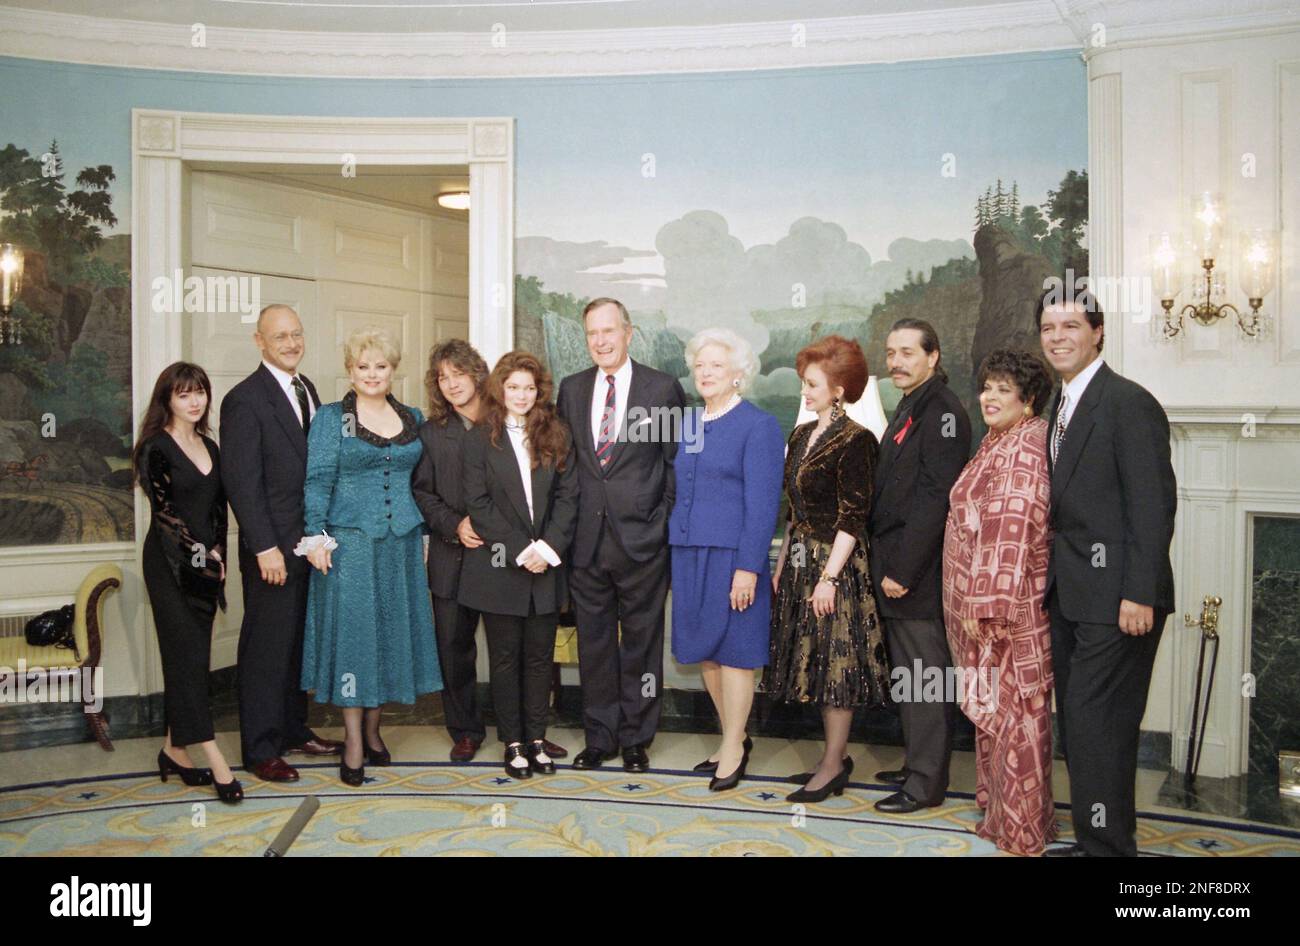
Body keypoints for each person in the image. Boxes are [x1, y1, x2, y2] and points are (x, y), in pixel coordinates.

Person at [1037, 290, 1176, 858]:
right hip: (1074, 596)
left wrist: (1139, 593)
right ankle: (1102, 841)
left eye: (1071, 325)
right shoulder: (1061, 403)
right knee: (1082, 728)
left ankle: (1108, 852)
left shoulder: (1127, 402)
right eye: (1048, 327)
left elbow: (1153, 506)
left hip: (1120, 599)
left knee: (1100, 728)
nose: (1058, 336)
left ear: (1099, 332)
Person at [411, 340, 568, 764]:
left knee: (528, 653)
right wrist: (453, 523)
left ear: (480, 377)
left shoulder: (516, 422)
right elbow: (422, 493)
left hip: (507, 559)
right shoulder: (431, 432)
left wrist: (540, 547)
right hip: (456, 555)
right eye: (442, 378)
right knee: (457, 649)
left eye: (458, 375)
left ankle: (529, 733)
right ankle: (467, 731)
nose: (451, 384)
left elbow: (556, 496)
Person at [300, 327, 443, 786]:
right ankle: (354, 741)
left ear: (393, 370)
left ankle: (376, 731)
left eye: (380, 366)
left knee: (388, 633)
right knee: (356, 639)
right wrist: (316, 537)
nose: (372, 374)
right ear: (350, 370)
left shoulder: (413, 416)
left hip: (401, 543)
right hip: (351, 545)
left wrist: (423, 535)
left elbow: (424, 482)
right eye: (363, 367)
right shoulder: (332, 418)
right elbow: (318, 479)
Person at [556, 298, 687, 773]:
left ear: (629, 333)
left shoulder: (662, 388)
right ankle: (600, 736)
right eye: (592, 333)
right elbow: (566, 466)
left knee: (641, 644)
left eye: (609, 331)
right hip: (586, 542)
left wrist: (661, 522)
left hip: (644, 542)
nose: (601, 341)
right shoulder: (571, 390)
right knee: (592, 645)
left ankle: (636, 738)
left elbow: (676, 464)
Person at [765, 335, 892, 803]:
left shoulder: (857, 440)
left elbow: (853, 517)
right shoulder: (801, 434)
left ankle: (835, 763)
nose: (805, 391)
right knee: (814, 665)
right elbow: (792, 512)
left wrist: (830, 578)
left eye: (813, 384)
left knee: (837, 667)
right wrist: (782, 565)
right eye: (803, 382)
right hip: (801, 561)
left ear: (839, 388)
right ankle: (830, 757)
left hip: (834, 566)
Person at [221, 304, 342, 783]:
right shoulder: (244, 400)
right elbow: (241, 484)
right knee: (267, 647)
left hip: (308, 544)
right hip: (271, 549)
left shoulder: (306, 387)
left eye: (297, 334)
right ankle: (261, 747)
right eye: (280, 337)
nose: (291, 343)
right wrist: (263, 547)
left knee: (296, 643)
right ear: (259, 341)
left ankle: (293, 729)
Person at [942, 348, 1055, 855]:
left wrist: (985, 608)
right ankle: (1000, 816)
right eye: (987, 386)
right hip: (987, 606)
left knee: (1018, 718)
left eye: (1003, 389)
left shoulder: (1025, 448)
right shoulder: (998, 441)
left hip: (1007, 612)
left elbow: (1014, 528)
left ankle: (1023, 829)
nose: (989, 396)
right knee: (1003, 719)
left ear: (1028, 400)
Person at [669, 329, 783, 792]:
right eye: (700, 365)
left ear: (739, 374)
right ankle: (731, 736)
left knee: (736, 653)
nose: (706, 373)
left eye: (717, 366)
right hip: (689, 552)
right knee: (707, 652)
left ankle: (734, 747)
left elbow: (763, 505)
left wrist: (747, 567)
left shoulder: (759, 426)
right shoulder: (691, 422)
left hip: (733, 557)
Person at [458, 351, 579, 779]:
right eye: (513, 387)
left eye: (529, 387)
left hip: (546, 565)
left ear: (539, 391)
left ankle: (536, 739)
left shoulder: (556, 433)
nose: (522, 395)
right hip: (499, 567)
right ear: (500, 390)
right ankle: (512, 743)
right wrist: (518, 549)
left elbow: (569, 497)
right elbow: (478, 503)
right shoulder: (477, 439)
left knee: (540, 660)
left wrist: (545, 549)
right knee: (505, 660)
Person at [868, 318, 972, 814]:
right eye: (891, 353)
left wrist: (903, 569)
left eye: (907, 352)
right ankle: (916, 764)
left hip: (918, 576)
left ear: (933, 357)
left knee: (927, 678)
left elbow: (936, 499)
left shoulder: (944, 411)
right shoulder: (913, 405)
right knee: (910, 677)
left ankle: (926, 784)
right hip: (896, 568)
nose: (896, 362)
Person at [134, 362, 242, 804]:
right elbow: (165, 515)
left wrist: (217, 555)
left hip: (205, 565)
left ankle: (173, 750)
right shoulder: (154, 448)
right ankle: (214, 758)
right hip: (168, 566)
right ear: (168, 400)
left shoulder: (211, 448)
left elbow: (218, 512)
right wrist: (199, 555)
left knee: (192, 658)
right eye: (184, 394)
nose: (195, 401)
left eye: (199, 392)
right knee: (185, 658)